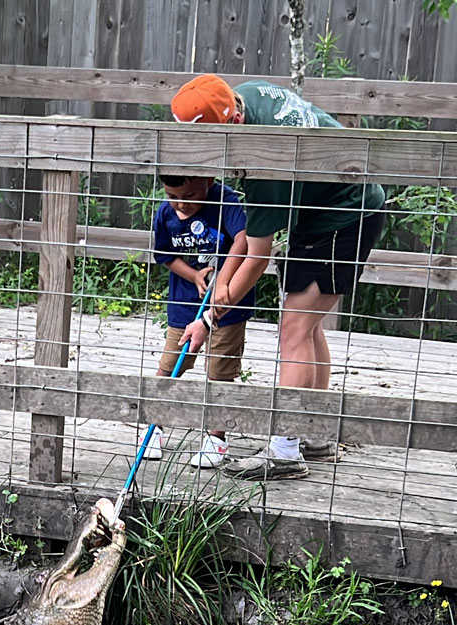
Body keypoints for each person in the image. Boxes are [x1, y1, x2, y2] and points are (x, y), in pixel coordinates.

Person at [171, 74, 386, 481]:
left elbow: (257, 256)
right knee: (308, 325)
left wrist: (212, 316)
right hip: (325, 210)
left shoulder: (266, 159)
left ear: (233, 123)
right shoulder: (248, 95)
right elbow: (244, 246)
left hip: (345, 213)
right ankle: (315, 432)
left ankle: (285, 450)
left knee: (294, 329)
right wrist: (222, 284)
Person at [141, 173, 250, 469]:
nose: (180, 204)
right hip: (184, 304)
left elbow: (244, 240)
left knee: (220, 372)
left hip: (228, 308)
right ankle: (153, 427)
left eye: (189, 196)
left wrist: (223, 278)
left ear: (208, 181)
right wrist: (194, 275)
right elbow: (165, 255)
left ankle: (216, 438)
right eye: (172, 196)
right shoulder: (165, 213)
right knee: (170, 365)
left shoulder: (226, 201)